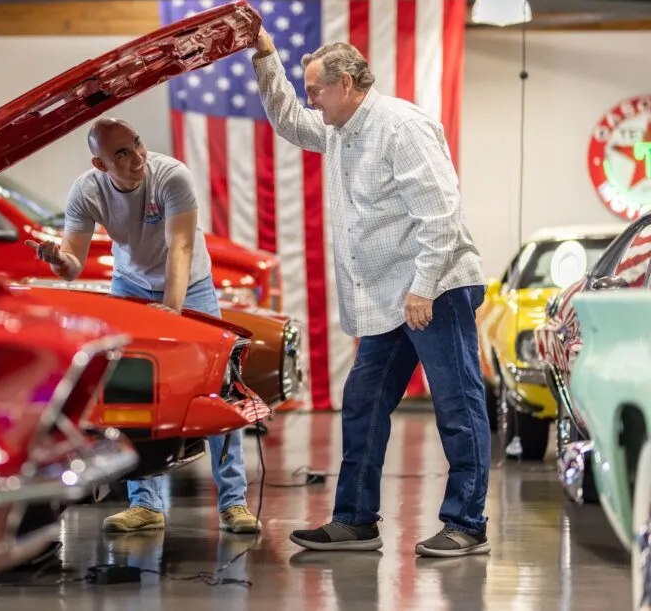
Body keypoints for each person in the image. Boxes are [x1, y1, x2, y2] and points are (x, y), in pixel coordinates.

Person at [251, 29, 491, 557]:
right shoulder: (340, 130)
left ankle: (467, 524)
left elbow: (441, 213)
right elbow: (290, 121)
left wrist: (423, 287)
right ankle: (356, 520)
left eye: (316, 89)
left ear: (345, 83)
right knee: (363, 402)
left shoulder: (401, 126)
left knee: (457, 403)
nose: (310, 99)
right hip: (390, 296)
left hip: (438, 286)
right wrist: (266, 56)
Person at [26, 116, 261, 535]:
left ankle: (234, 503)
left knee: (217, 391)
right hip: (130, 285)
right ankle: (145, 505)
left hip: (191, 286)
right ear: (101, 165)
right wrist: (57, 259)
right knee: (133, 396)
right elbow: (72, 266)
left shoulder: (171, 176)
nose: (137, 158)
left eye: (136, 143)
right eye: (121, 154)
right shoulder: (86, 191)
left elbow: (181, 246)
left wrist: (171, 311)